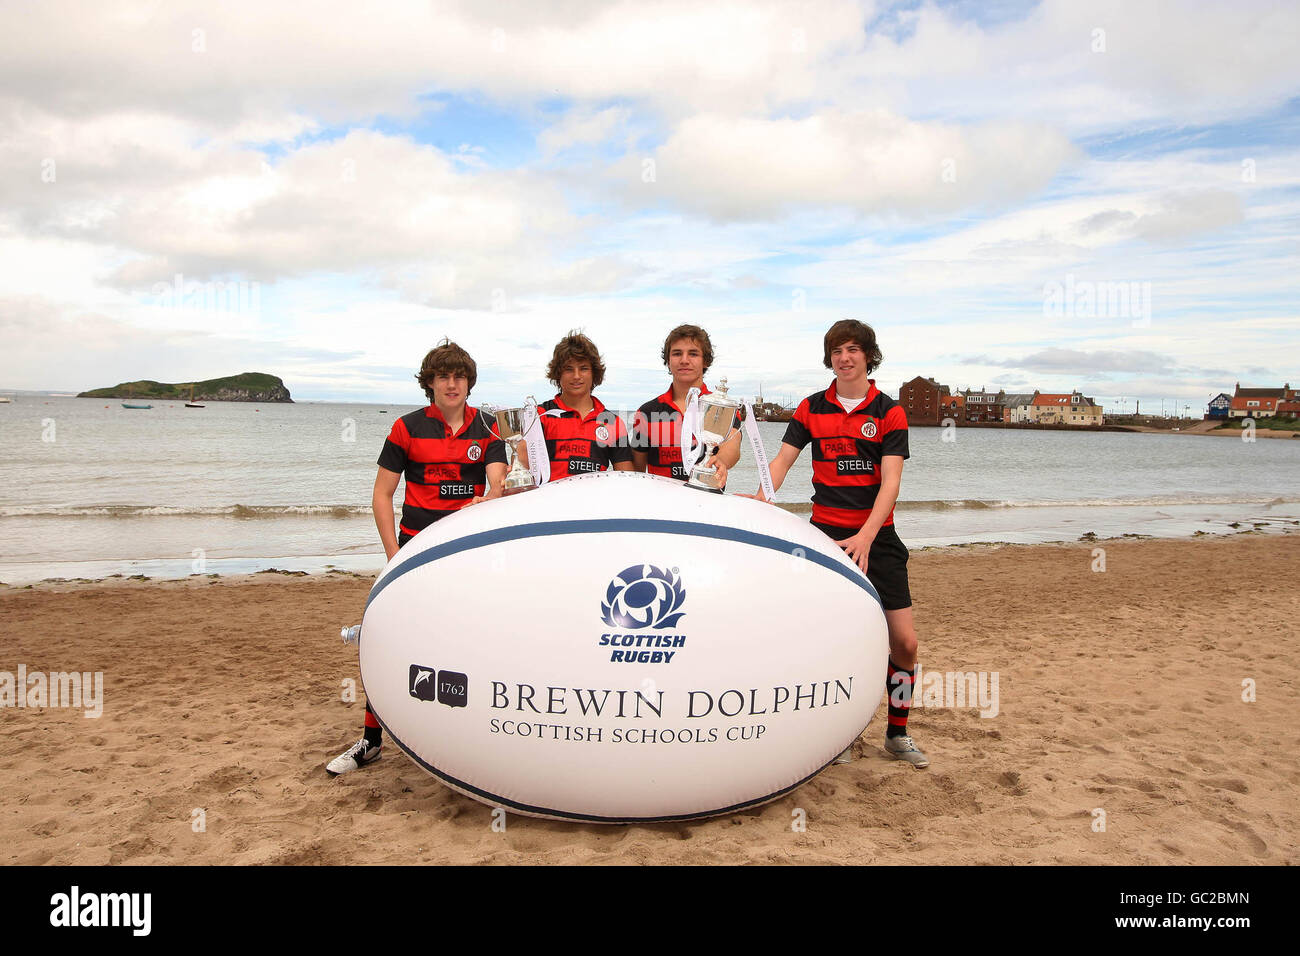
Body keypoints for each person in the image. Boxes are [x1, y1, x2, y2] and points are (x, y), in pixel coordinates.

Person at [748, 319, 928, 768]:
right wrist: (758, 501)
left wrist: (866, 537)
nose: (844, 358)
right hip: (824, 538)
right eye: (836, 351)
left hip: (877, 540)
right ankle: (839, 735)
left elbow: (891, 483)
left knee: (904, 643)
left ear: (869, 356)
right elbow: (782, 461)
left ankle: (898, 734)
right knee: (831, 642)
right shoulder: (811, 408)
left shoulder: (889, 411)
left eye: (852, 349)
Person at [326, 339, 507, 776]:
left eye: (459, 376)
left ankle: (470, 737)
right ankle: (370, 742)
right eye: (443, 376)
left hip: (468, 556)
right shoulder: (407, 428)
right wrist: (394, 558)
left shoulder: (489, 427)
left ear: (470, 382)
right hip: (414, 552)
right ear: (430, 382)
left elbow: (497, 485)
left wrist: (489, 495)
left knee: (473, 640)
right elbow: (382, 495)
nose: (452, 383)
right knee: (387, 638)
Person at [631, 324, 741, 488]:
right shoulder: (647, 412)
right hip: (659, 506)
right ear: (668, 361)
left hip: (708, 503)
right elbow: (636, 470)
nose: (684, 360)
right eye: (677, 354)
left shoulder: (721, 407)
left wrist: (719, 462)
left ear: (706, 361)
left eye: (693, 354)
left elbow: (732, 449)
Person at [521, 331, 635, 481]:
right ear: (558, 374)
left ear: (594, 373)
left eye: (583, 368)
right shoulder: (539, 416)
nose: (576, 376)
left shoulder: (613, 422)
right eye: (569, 369)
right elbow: (521, 472)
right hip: (547, 503)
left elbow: (627, 480)